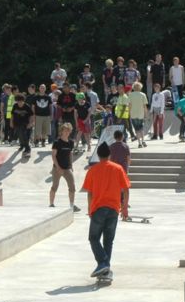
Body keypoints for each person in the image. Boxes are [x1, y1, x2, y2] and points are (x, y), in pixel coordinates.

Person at [82, 141, 130, 279]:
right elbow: (126, 189)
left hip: (98, 208)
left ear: (98, 155)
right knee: (108, 240)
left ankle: (103, 263)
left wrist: (89, 208)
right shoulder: (118, 168)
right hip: (114, 209)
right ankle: (105, 269)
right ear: (109, 155)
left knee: (93, 238)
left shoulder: (93, 170)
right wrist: (124, 207)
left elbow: (89, 192)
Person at [49, 123, 79, 211]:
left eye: (68, 131)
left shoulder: (71, 142)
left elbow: (70, 154)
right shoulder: (57, 142)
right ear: (61, 131)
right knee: (55, 186)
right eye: (65, 131)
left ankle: (71, 206)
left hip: (67, 168)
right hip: (57, 168)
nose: (67, 133)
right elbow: (53, 155)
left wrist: (71, 165)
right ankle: (51, 204)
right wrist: (58, 167)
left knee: (72, 187)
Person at [128, 82, 148, 148]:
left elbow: (129, 106)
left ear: (133, 88)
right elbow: (145, 106)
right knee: (141, 128)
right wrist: (146, 115)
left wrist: (129, 114)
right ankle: (143, 141)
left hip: (133, 114)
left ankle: (139, 143)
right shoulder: (143, 95)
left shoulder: (130, 95)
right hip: (141, 114)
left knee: (136, 129)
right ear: (140, 87)